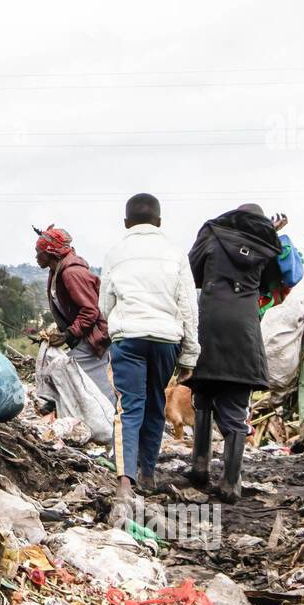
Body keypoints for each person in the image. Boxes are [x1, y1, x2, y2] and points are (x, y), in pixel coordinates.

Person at [184, 204, 294, 502]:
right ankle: (231, 481)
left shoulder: (211, 232)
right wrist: (272, 236)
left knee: (203, 392)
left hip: (209, 320)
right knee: (235, 403)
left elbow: (192, 273)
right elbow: (274, 283)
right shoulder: (267, 244)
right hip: (244, 326)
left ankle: (199, 465)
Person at [99, 193, 200, 494]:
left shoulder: (115, 253)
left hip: (128, 338)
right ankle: (148, 475)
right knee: (156, 404)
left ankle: (125, 483)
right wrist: (190, 356)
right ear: (159, 221)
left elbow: (105, 306)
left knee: (129, 407)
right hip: (166, 340)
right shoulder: (174, 252)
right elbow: (188, 307)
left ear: (126, 222)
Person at [34, 224, 112, 409]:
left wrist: (69, 334)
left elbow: (90, 310)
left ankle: (111, 428)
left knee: (69, 373)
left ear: (51, 253)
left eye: (39, 252)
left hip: (94, 338)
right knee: (92, 382)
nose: (36, 257)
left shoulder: (71, 273)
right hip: (86, 337)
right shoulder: (57, 271)